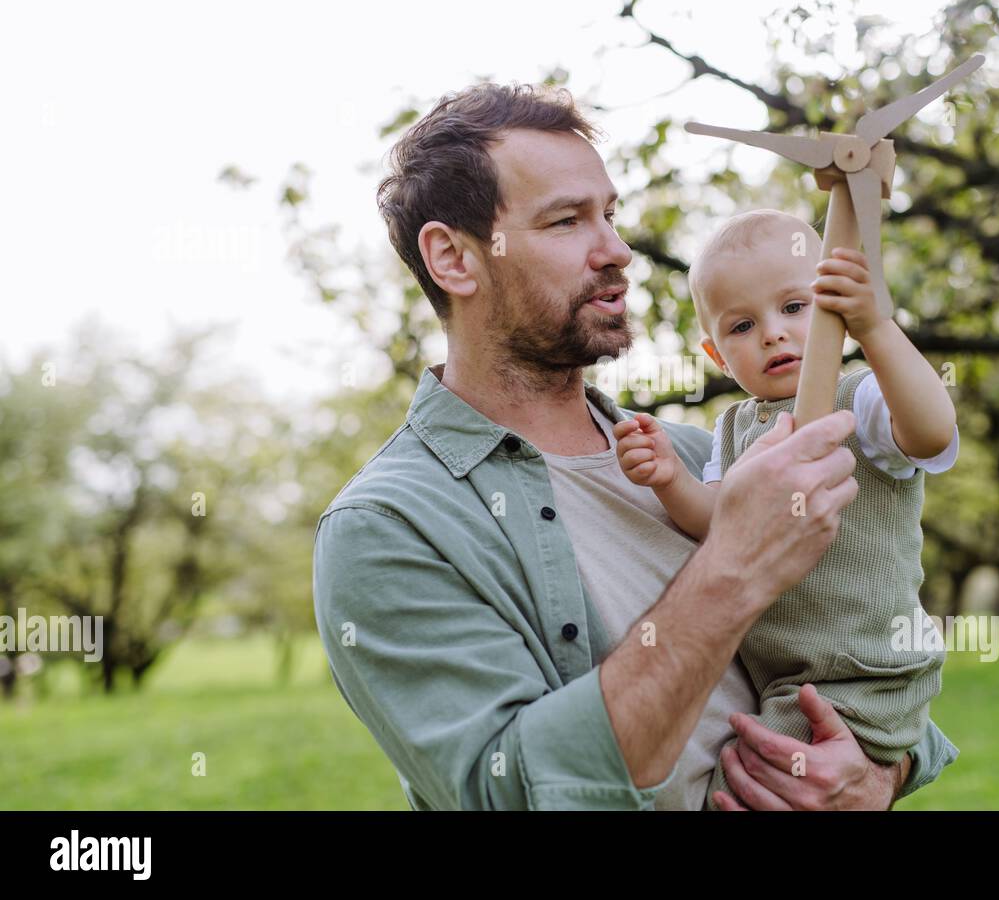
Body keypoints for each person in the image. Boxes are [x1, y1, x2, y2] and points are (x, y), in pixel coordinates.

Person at [311, 82, 959, 810]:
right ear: (454, 259)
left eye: (611, 216)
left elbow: (860, 647)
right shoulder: (389, 527)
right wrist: (734, 560)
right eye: (566, 221)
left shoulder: (695, 455)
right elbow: (511, 795)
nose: (617, 251)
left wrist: (876, 775)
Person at [613, 209, 959, 810]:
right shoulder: (731, 429)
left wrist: (876, 327)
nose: (772, 334)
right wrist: (670, 478)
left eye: (795, 308)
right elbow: (717, 521)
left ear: (836, 312)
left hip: (861, 674)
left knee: (744, 792)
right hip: (794, 678)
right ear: (717, 355)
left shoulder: (861, 398)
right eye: (743, 325)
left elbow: (931, 433)